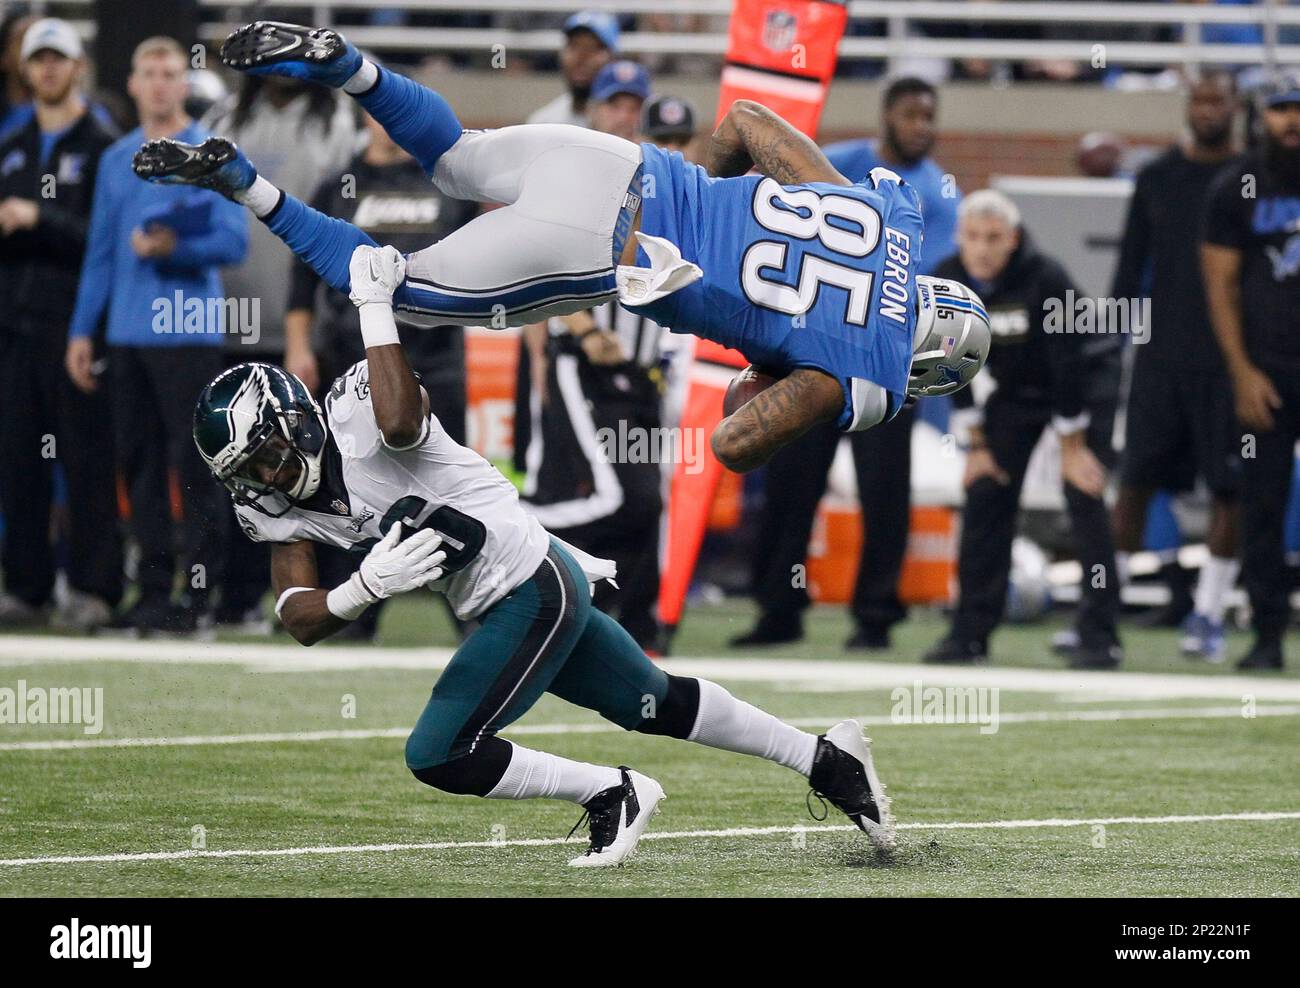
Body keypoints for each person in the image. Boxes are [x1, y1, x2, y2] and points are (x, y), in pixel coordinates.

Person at [190, 245, 894, 865]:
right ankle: (824, 758)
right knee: (654, 701)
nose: (269, 480)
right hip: (516, 586)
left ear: (299, 423)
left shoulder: (357, 409)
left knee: (438, 752)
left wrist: (376, 308)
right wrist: (361, 590)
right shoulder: (271, 505)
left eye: (272, 458)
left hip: (527, 588)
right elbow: (299, 616)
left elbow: (402, 425)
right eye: (249, 473)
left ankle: (611, 792)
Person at [135, 20, 991, 479]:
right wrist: (782, 382)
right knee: (388, 286)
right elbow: (733, 442)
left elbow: (746, 123)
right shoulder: (870, 374)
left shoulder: (894, 215)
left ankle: (352, 66)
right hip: (607, 248)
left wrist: (694, 190)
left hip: (617, 163)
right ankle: (242, 180)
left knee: (457, 157)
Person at [733, 77, 963, 649]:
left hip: (884, 357)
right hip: (813, 348)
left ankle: (875, 616)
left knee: (884, 491)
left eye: (928, 116)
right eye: (911, 115)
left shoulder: (936, 192)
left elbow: (924, 286)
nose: (921, 127)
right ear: (887, 115)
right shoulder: (840, 162)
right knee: (790, 484)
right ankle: (777, 610)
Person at [65, 36, 248, 635]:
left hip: (188, 329)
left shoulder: (211, 153)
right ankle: (150, 593)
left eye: (171, 72)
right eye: (151, 72)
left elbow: (235, 242)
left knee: (196, 464)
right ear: (136, 83)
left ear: (183, 84)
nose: (162, 82)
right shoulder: (117, 159)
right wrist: (80, 331)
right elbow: (99, 254)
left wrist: (175, 247)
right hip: (129, 332)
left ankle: (196, 596)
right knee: (139, 466)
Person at [286, 105, 478, 641]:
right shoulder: (336, 186)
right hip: (350, 366)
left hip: (435, 361)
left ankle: (469, 607)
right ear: (363, 120)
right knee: (355, 490)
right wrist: (299, 345)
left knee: (448, 488)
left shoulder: (448, 188)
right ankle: (357, 608)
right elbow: (301, 281)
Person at [923, 190, 1123, 670]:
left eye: (994, 238)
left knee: (1083, 495)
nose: (983, 249)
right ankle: (969, 633)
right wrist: (976, 445)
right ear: (959, 238)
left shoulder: (1045, 276)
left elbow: (1068, 365)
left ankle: (1100, 634)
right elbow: (946, 363)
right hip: (1016, 393)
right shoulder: (947, 279)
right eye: (973, 237)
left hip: (1084, 384)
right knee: (986, 491)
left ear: (1012, 240)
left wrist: (1072, 448)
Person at [200, 70, 356, 633]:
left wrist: (308, 330)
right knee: (237, 477)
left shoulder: (334, 121)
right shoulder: (226, 119)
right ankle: (235, 596)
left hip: (299, 330)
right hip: (223, 322)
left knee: (315, 473)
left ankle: (332, 600)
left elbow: (339, 222)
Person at [520, 58, 662, 649]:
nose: (624, 115)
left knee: (642, 499)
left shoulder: (657, 173)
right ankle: (511, 532)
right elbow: (533, 258)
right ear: (595, 108)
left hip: (640, 365)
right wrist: (574, 332)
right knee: (609, 494)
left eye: (634, 105)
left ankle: (619, 622)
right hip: (581, 358)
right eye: (614, 103)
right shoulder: (571, 167)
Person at [1110, 71, 1243, 662]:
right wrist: (1111, 351)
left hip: (1230, 365)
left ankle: (1210, 614)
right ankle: (1102, 612)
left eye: (1219, 99)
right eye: (1201, 99)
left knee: (1230, 490)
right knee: (1134, 483)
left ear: (1237, 108)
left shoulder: (1252, 180)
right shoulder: (1157, 177)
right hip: (1160, 359)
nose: (1209, 109)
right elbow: (1127, 270)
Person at [0, 17, 121, 631]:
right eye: (37, 59)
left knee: (85, 458)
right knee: (19, 458)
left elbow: (107, 243)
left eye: (58, 59)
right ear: (24, 69)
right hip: (13, 328)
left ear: (77, 67)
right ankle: (26, 585)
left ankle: (96, 586)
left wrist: (37, 218)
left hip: (74, 325)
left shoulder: (102, 147)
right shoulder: (10, 145)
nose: (47, 68)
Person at [1201, 75, 1300, 671]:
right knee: (1261, 505)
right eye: (1282, 110)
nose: (1292, 121)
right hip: (1266, 373)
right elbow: (1220, 284)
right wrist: (1240, 371)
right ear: (1262, 116)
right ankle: (1267, 633)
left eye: (1299, 110)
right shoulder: (1237, 187)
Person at [527, 10, 618, 127]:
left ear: (613, 57)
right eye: (574, 46)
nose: (581, 58)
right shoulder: (543, 123)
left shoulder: (631, 124)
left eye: (593, 48)